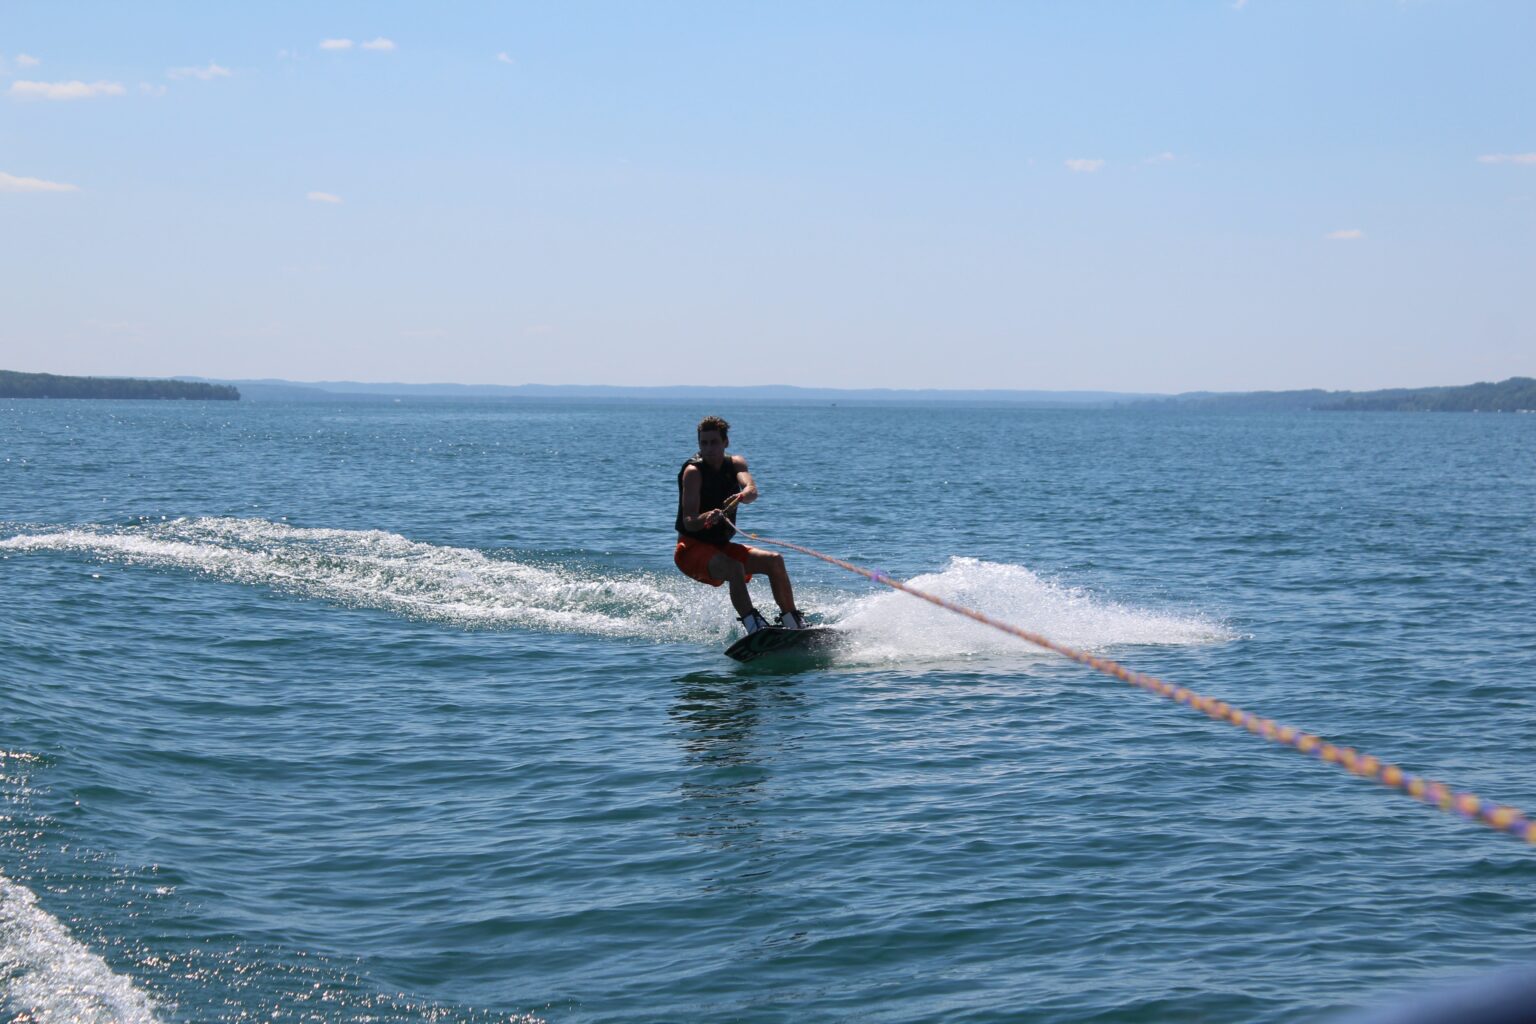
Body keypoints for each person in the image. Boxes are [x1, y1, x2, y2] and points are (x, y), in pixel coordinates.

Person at [674, 415, 806, 634]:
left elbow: (751, 490)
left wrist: (742, 495)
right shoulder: (693, 472)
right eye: (703, 443)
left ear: (725, 442)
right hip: (691, 551)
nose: (709, 448)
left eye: (714, 442)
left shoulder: (736, 463)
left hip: (720, 548)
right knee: (735, 567)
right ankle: (754, 627)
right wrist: (707, 517)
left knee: (774, 560)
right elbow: (689, 522)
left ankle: (793, 621)